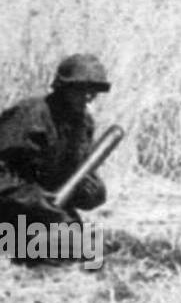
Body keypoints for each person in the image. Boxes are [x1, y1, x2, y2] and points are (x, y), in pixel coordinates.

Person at [0, 54, 111, 232]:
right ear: (64, 87)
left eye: (94, 90)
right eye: (81, 89)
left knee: (81, 250)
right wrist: (31, 199)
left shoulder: (83, 124)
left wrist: (89, 191)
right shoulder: (30, 114)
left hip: (48, 210)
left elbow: (69, 176)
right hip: (11, 209)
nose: (89, 96)